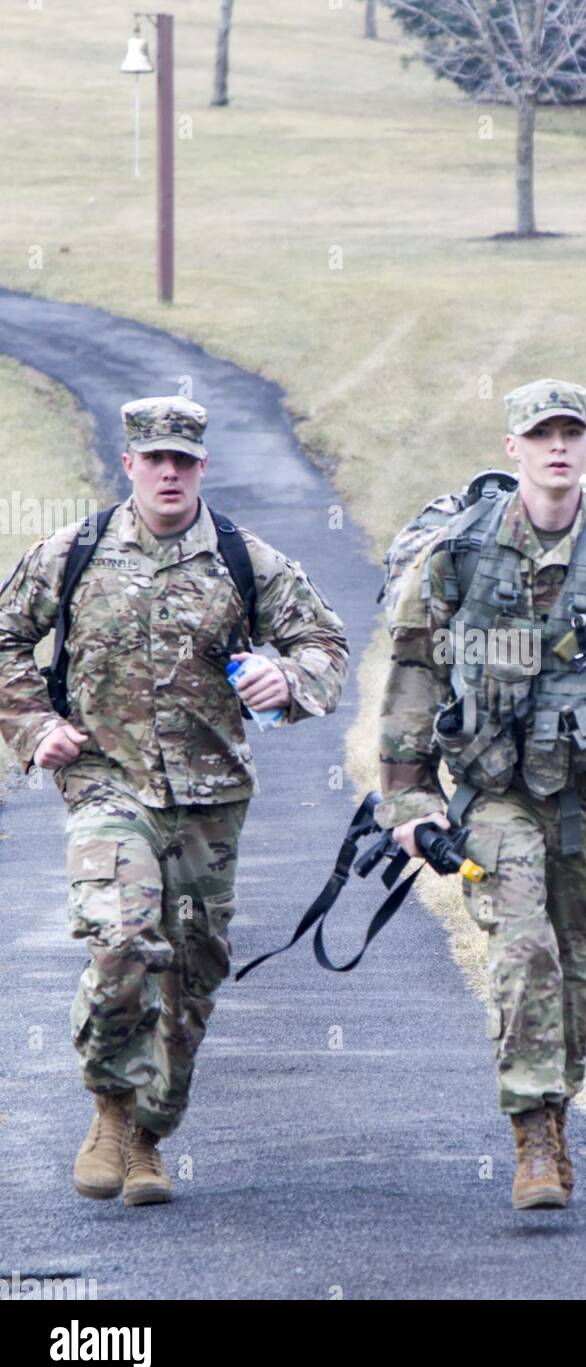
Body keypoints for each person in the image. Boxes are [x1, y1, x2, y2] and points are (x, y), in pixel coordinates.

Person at [0, 396, 349, 1206]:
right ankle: (109, 1111)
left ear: (202, 467)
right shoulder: (76, 551)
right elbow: (6, 637)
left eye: (182, 460)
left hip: (210, 798)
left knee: (189, 983)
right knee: (122, 940)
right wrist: (30, 724)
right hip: (105, 781)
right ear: (129, 463)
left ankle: (152, 1135)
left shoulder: (242, 558)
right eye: (153, 458)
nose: (167, 472)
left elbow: (324, 645)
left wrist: (286, 678)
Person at [375, 379, 586, 1209]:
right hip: (494, 793)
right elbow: (414, 673)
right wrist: (411, 803)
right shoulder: (459, 550)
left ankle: (556, 1108)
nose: (556, 447)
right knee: (522, 946)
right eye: (540, 434)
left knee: (577, 959)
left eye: (570, 433)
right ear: (511, 449)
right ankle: (529, 1132)